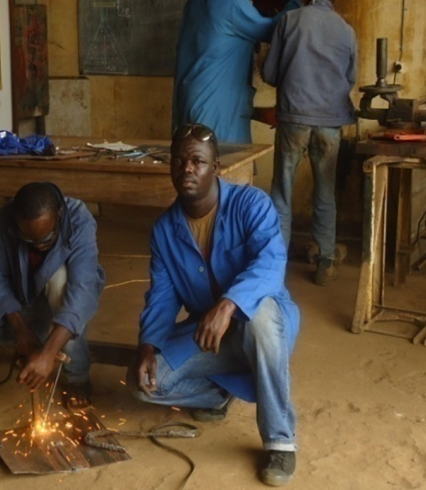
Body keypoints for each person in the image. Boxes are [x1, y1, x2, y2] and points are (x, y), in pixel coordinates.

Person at [129, 124, 300, 486]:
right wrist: (147, 346)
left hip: (266, 326)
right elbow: (161, 297)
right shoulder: (164, 230)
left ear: (216, 166)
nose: (186, 169)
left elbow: (272, 263)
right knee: (144, 383)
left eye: (197, 161)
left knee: (261, 316)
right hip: (210, 336)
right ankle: (220, 394)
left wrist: (228, 305)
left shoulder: (251, 204)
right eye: (178, 161)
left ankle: (280, 442)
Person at [0, 182, 104, 410]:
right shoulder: (7, 218)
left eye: (47, 238)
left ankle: (78, 377)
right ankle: (39, 338)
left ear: (59, 214)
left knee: (60, 282)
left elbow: (81, 292)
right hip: (25, 296)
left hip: (62, 297)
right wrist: (19, 328)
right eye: (30, 240)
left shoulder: (78, 218)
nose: (40, 246)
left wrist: (49, 353)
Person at [262, 0, 357, 285]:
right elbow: (350, 79)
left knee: (282, 192)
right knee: (325, 193)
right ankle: (325, 261)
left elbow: (269, 74)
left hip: (294, 118)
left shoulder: (289, 20)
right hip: (330, 122)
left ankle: (275, 267)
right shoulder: (346, 29)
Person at [172, 0, 302, 144]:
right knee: (225, 160)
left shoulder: (194, 3)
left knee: (200, 157)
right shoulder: (230, 4)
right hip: (215, 107)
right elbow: (274, 29)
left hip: (199, 101)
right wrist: (295, 4)